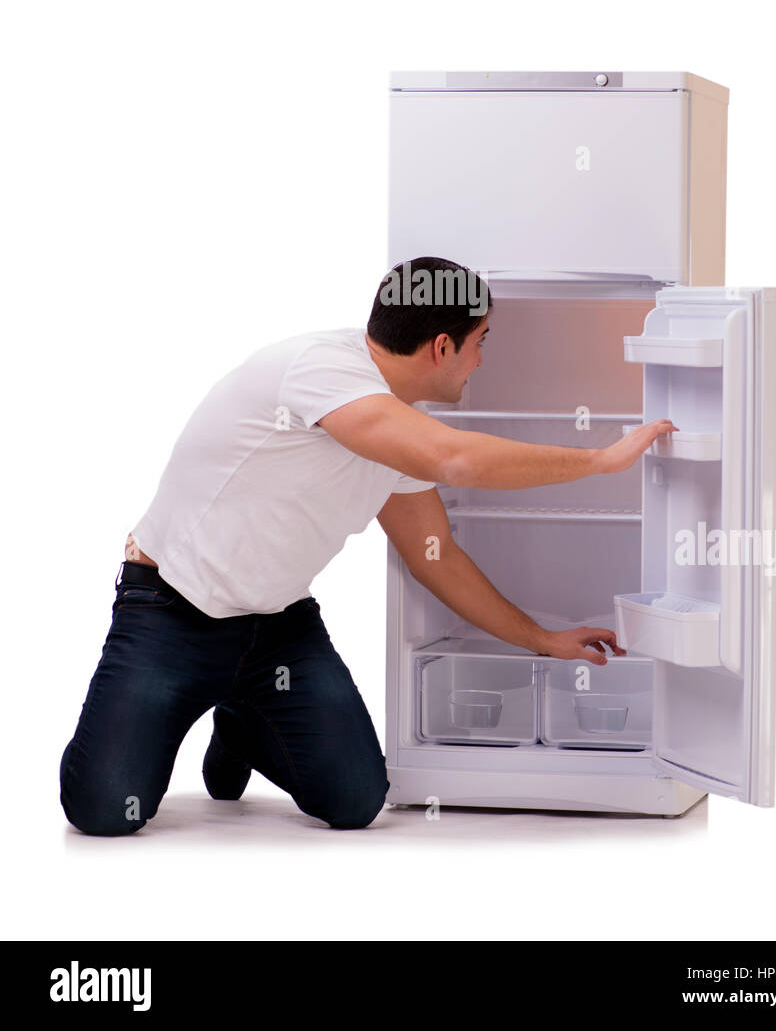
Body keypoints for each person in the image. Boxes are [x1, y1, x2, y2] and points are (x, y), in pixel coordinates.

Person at [59, 256, 675, 836]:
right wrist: (600, 458)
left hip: (276, 628)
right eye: (481, 341)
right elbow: (452, 456)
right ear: (442, 347)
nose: (483, 360)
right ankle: (211, 705)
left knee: (355, 800)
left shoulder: (393, 424)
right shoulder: (320, 370)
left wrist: (541, 639)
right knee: (105, 809)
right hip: (172, 611)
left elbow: (437, 557)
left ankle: (245, 720)